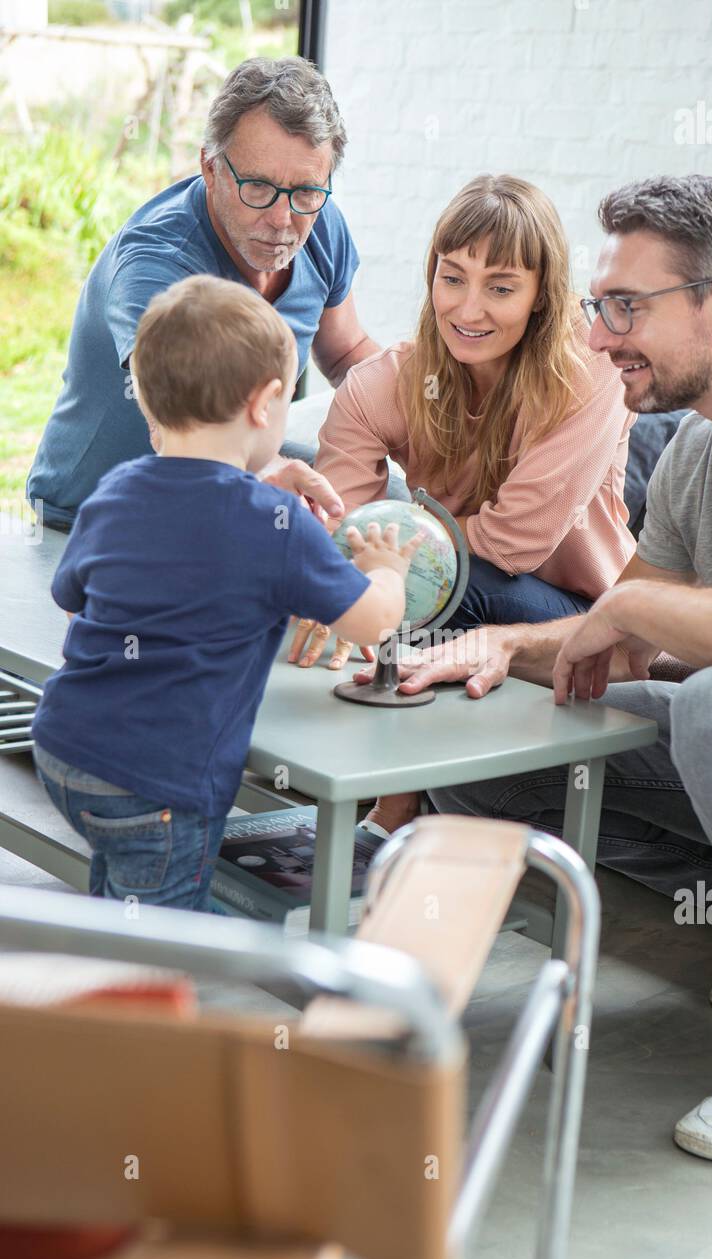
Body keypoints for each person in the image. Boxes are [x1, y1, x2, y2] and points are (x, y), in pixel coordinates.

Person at [356, 174, 712, 1165]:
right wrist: (506, 649)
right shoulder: (689, 454)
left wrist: (627, 608)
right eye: (597, 307)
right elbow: (619, 640)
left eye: (624, 307)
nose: (594, 336)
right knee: (498, 739)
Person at [30, 276, 418, 911]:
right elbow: (373, 624)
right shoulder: (276, 522)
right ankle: (138, 993)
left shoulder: (116, 490)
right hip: (156, 785)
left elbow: (72, 596)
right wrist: (388, 569)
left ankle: (102, 974)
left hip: (66, 751)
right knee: (168, 941)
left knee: (126, 897)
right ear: (266, 403)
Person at [298, 173, 636, 835]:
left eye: (502, 287)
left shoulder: (592, 374)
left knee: (430, 581)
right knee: (332, 598)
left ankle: (392, 809)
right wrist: (340, 579)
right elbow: (338, 532)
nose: (469, 309)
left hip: (578, 617)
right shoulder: (383, 383)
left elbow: (515, 543)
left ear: (541, 297)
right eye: (452, 278)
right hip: (452, 587)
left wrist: (385, 565)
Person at [26, 56, 380, 531]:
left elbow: (347, 352)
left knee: (386, 502)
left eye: (306, 192)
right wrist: (268, 481)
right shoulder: (155, 263)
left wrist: (433, 423)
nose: (282, 220)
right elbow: (175, 427)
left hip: (229, 473)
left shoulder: (320, 224)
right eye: (257, 187)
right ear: (210, 168)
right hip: (97, 513)